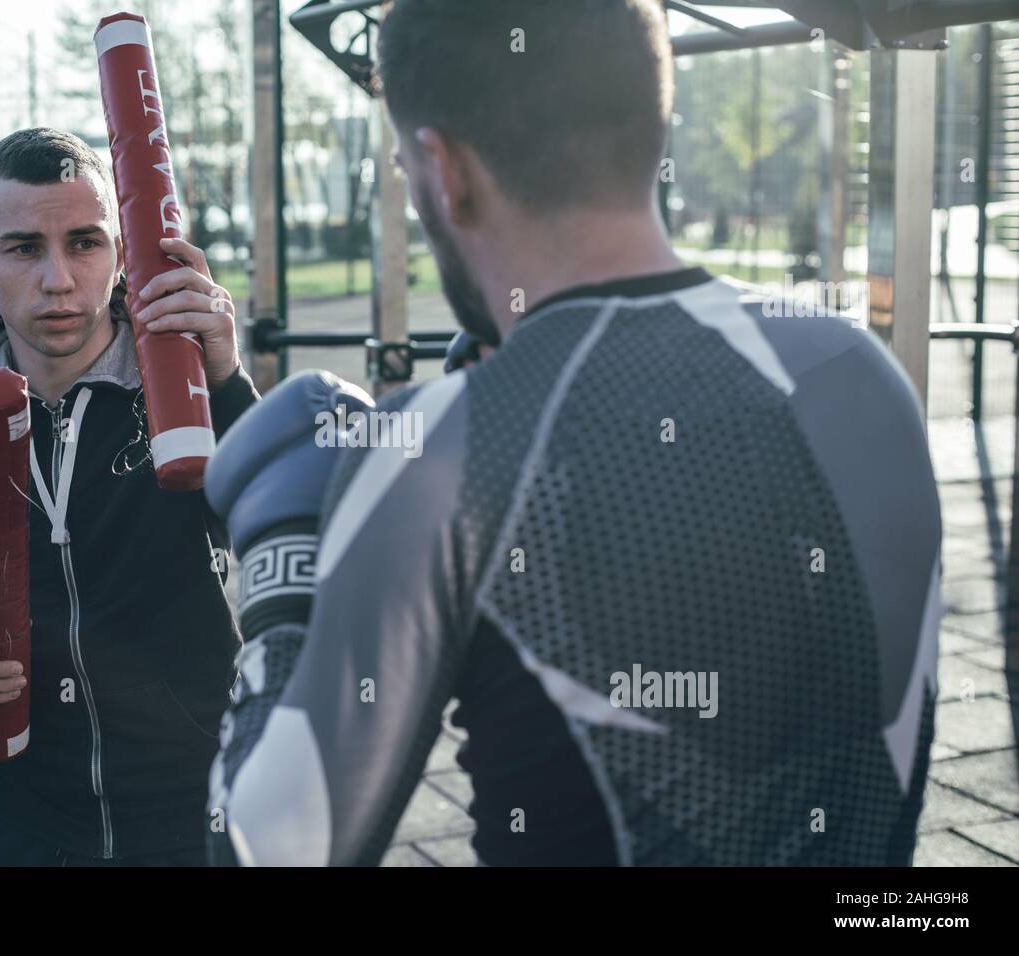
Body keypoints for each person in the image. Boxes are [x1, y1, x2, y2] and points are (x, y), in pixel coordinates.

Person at [202, 0, 941, 865]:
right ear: (655, 119)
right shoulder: (856, 371)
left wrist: (286, 594)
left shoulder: (440, 450)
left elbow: (267, 851)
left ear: (444, 169)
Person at [0, 127, 259, 866]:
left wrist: (228, 382)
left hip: (196, 799)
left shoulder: (186, 402)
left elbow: (294, 518)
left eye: (85, 243)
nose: (58, 279)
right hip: (23, 808)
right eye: (24, 247)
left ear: (121, 251)